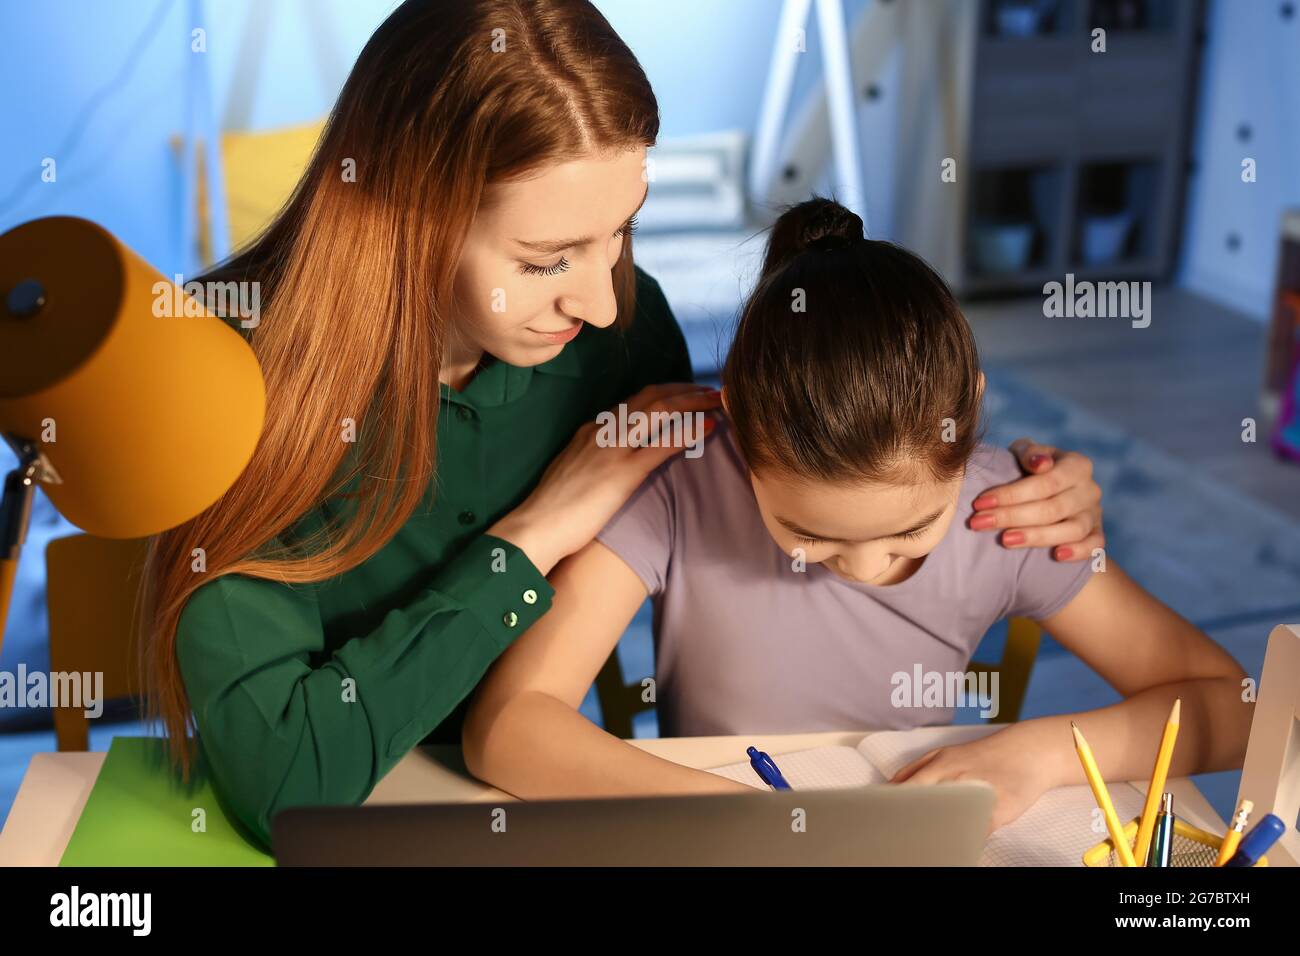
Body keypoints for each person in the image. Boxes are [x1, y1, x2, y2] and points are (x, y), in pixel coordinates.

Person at [463, 199, 1250, 831]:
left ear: (968, 416)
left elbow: (1235, 704)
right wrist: (757, 825)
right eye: (809, 533)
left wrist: (1041, 753)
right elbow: (507, 727)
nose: (868, 567)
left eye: (910, 532)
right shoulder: (682, 485)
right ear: (739, 422)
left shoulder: (1008, 511)